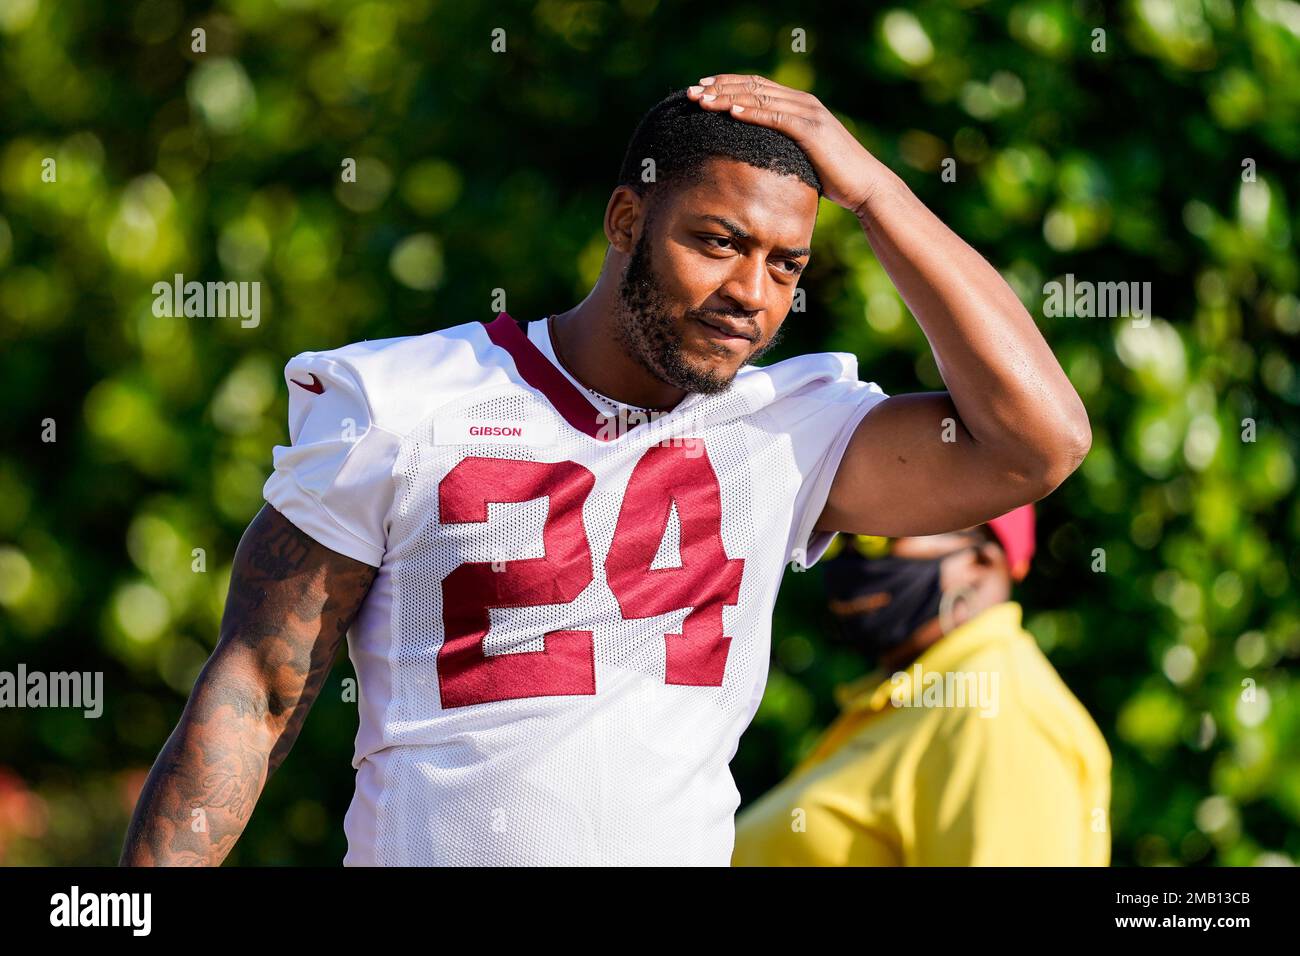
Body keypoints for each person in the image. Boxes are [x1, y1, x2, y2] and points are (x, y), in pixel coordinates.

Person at [120, 76, 1091, 866]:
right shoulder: (404, 397)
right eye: (717, 241)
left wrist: (876, 193)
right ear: (625, 218)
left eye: (785, 264)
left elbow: (1037, 441)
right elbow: (259, 686)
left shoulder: (790, 432)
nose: (750, 293)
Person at [732, 505, 1112, 866]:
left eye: (877, 537)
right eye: (837, 541)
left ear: (980, 559)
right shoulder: (913, 698)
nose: (853, 556)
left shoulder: (996, 710)